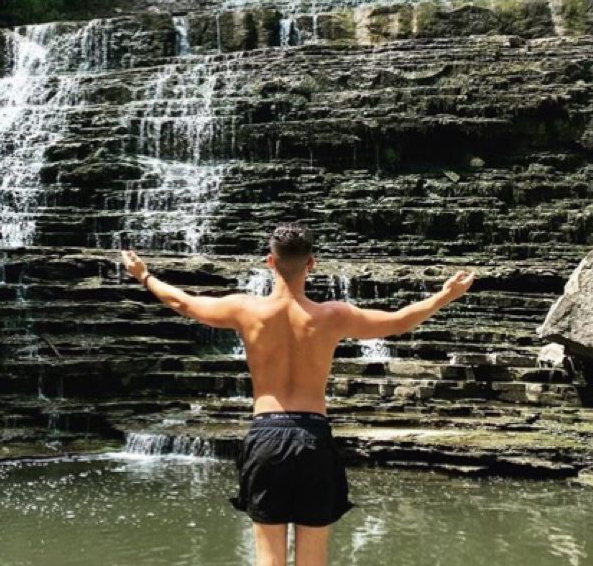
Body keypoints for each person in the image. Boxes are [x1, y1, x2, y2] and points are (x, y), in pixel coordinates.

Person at [120, 224, 476, 566]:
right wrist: (445, 295)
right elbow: (399, 321)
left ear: (269, 261)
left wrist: (144, 275)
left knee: (269, 559)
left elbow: (183, 303)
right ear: (312, 263)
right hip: (313, 438)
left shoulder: (245, 309)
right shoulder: (333, 315)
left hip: (266, 436)